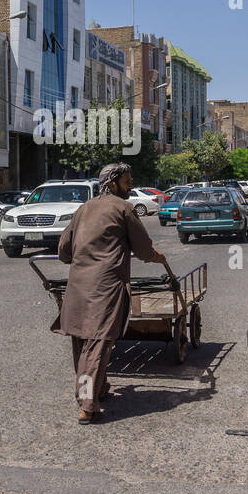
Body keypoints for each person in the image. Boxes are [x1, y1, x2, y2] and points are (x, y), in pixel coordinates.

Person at [53, 161, 169, 424]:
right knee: (97, 346)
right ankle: (87, 404)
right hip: (105, 290)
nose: (132, 186)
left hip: (78, 289)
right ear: (112, 183)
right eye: (128, 182)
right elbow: (142, 250)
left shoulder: (83, 209)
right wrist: (156, 257)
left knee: (83, 344)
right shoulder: (124, 208)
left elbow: (64, 251)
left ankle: (98, 389)